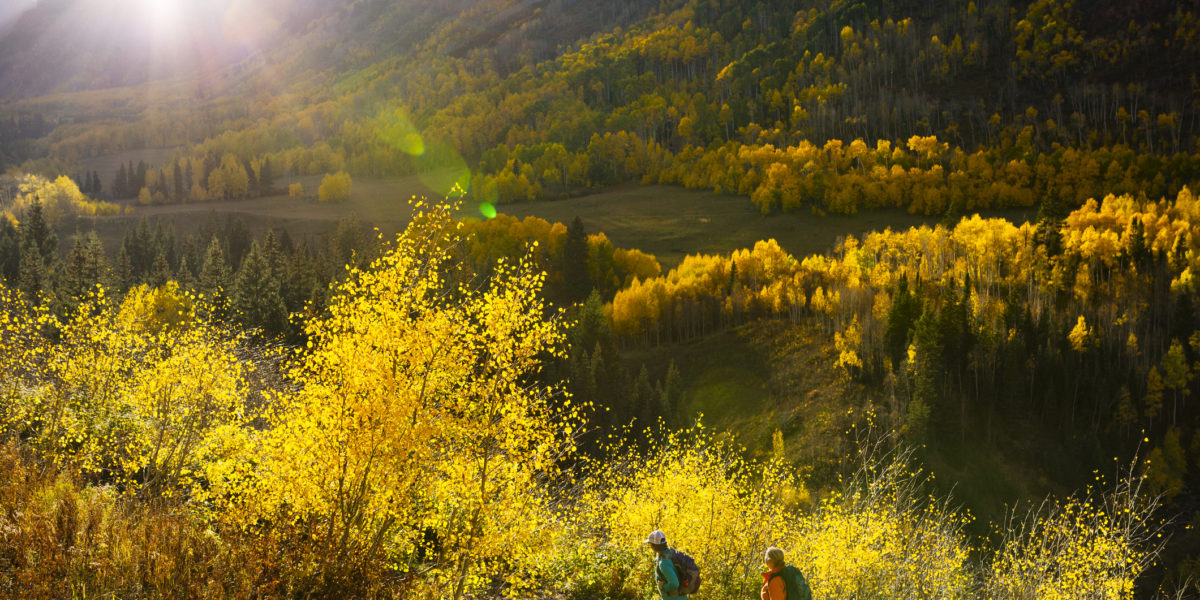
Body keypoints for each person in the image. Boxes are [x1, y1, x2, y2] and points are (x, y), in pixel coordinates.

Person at [644, 529, 686, 600]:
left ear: (654, 546)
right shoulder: (672, 552)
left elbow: (674, 584)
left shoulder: (663, 563)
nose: (650, 546)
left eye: (650, 544)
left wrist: (663, 587)